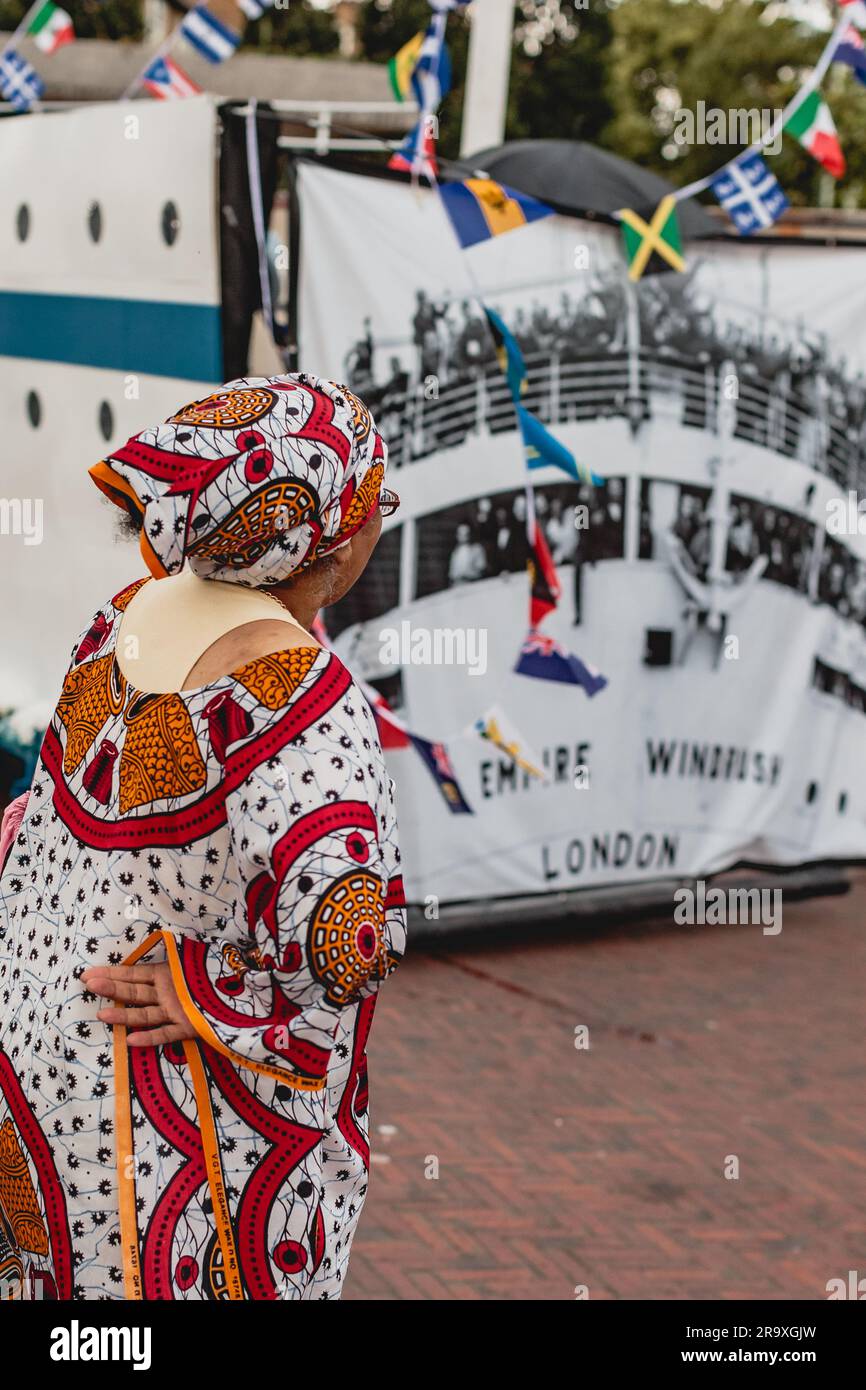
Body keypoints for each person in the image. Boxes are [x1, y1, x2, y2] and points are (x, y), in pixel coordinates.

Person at [0, 374, 407, 1302]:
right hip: (157, 1113)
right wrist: (204, 992)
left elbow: (39, 816)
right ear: (331, 539)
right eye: (378, 499)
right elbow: (343, 948)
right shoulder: (308, 703)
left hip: (38, 1067)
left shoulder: (120, 617)